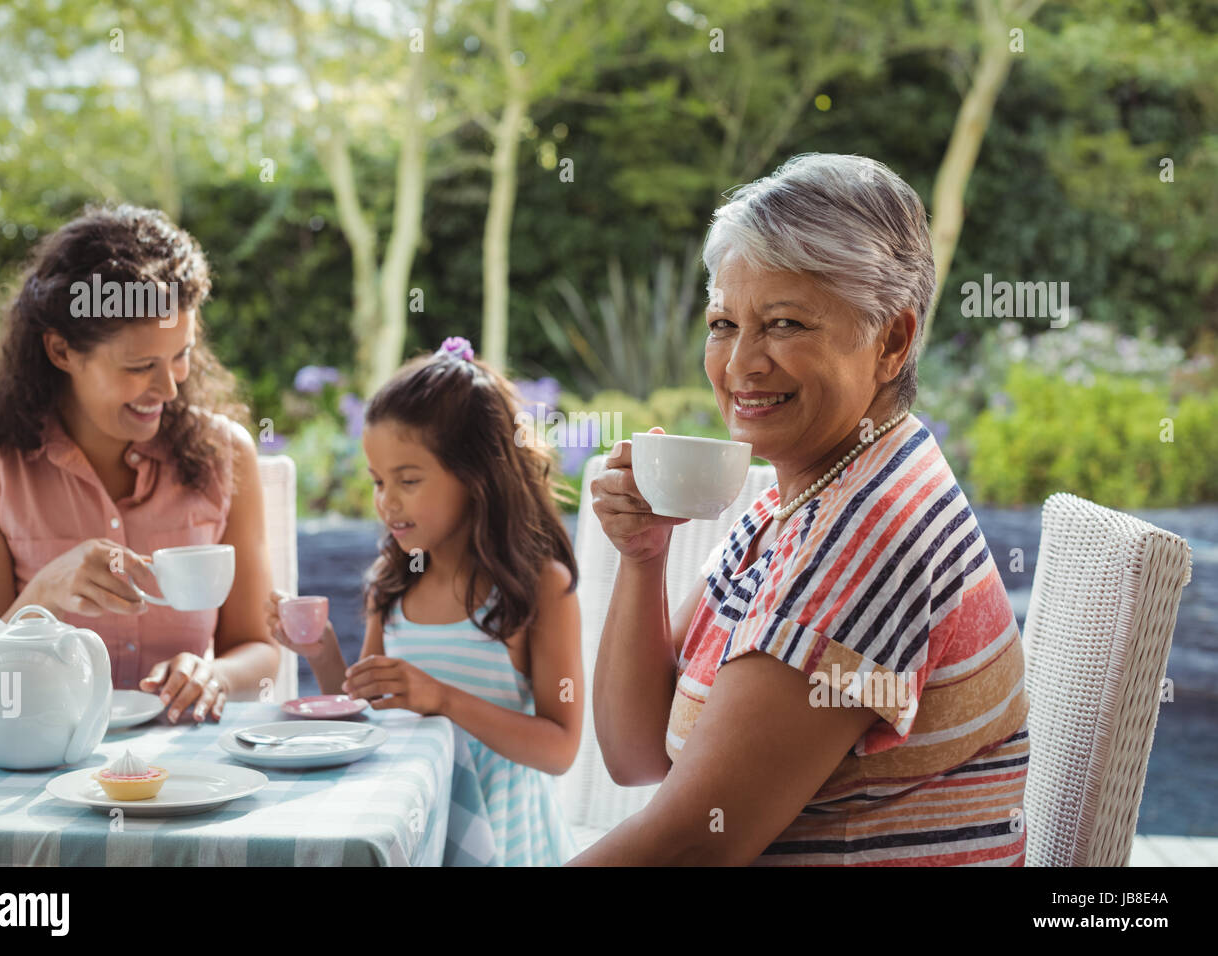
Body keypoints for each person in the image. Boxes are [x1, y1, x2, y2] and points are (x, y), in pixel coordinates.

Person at [572, 153, 1030, 865]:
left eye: (784, 324)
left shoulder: (869, 531)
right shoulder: (805, 496)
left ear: (892, 340)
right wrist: (643, 557)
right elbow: (636, 756)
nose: (741, 364)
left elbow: (693, 842)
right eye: (724, 323)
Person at [0, 204, 279, 723]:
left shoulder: (225, 455)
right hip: (39, 764)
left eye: (180, 355)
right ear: (61, 351)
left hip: (184, 769)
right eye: (140, 367)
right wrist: (46, 591)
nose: (169, 388)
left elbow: (258, 647)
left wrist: (216, 675)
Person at [267, 337, 582, 866]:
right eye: (377, 481)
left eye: (408, 480)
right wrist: (321, 652)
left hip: (508, 850)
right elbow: (366, 722)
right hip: (416, 843)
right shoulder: (392, 586)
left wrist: (443, 699)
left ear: (477, 476)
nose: (386, 500)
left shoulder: (537, 589)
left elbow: (560, 749)